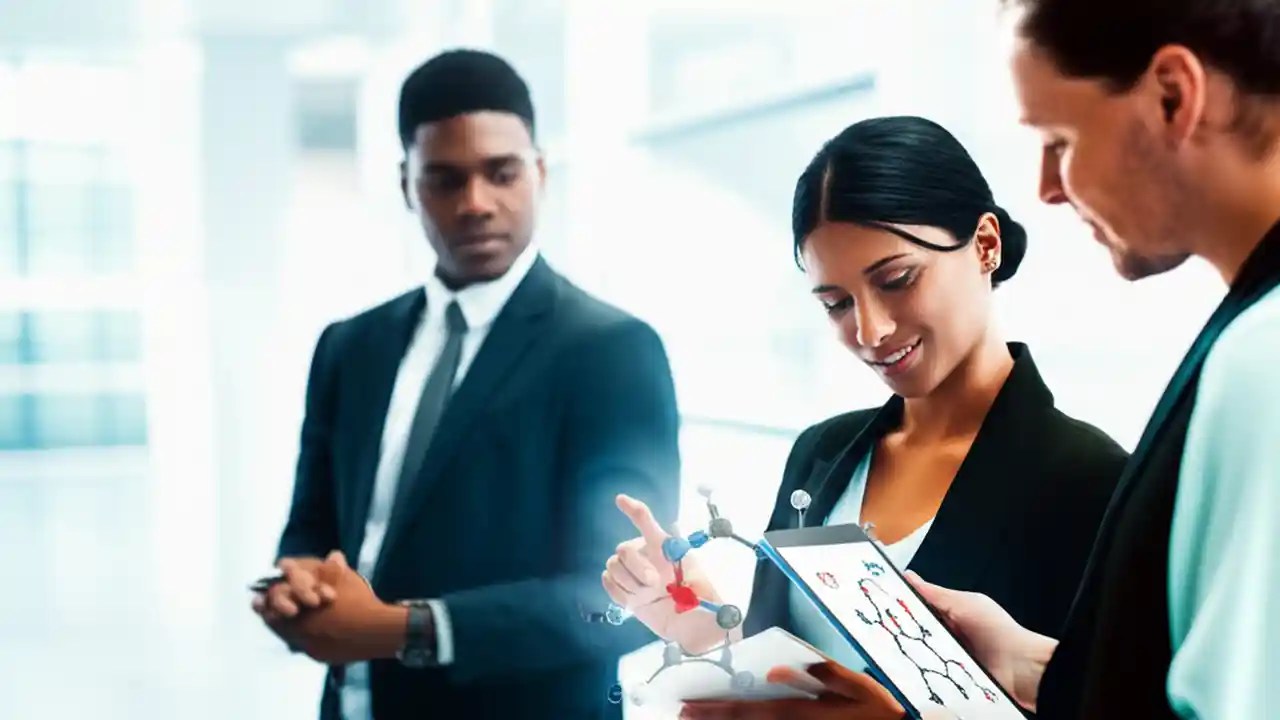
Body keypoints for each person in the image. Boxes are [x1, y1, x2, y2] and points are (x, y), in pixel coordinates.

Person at [681, 1, 1280, 718]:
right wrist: (1034, 668)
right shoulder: (1244, 343)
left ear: (1174, 95)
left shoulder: (1255, 363)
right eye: (834, 302)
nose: (1048, 189)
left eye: (1058, 138)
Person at [602, 115, 1127, 690]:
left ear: (984, 245)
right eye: (836, 304)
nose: (871, 330)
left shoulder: (1086, 479)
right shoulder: (822, 451)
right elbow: (794, 680)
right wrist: (699, 619)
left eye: (897, 279)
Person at [249, 49, 681, 720]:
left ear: (539, 172)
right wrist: (295, 584)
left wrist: (406, 628)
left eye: (501, 173)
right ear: (406, 186)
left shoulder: (610, 351)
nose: (475, 203)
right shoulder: (350, 346)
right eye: (444, 180)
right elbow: (312, 527)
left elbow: (627, 600)